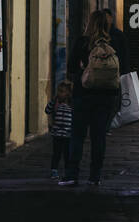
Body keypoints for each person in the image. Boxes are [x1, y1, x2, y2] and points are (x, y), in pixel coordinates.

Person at [60, 10, 122, 187]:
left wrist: (83, 69)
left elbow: (71, 66)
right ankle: (95, 176)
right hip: (106, 97)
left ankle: (72, 174)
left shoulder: (82, 42)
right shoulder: (115, 42)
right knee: (99, 138)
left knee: (77, 136)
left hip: (83, 95)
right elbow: (122, 68)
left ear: (90, 23)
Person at [44, 80, 74, 177]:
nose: (59, 93)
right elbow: (47, 110)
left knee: (67, 155)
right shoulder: (56, 103)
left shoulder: (71, 105)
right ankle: (54, 171)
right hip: (57, 134)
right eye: (58, 91)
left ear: (68, 93)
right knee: (56, 154)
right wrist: (53, 101)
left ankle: (67, 171)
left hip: (68, 135)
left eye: (62, 91)